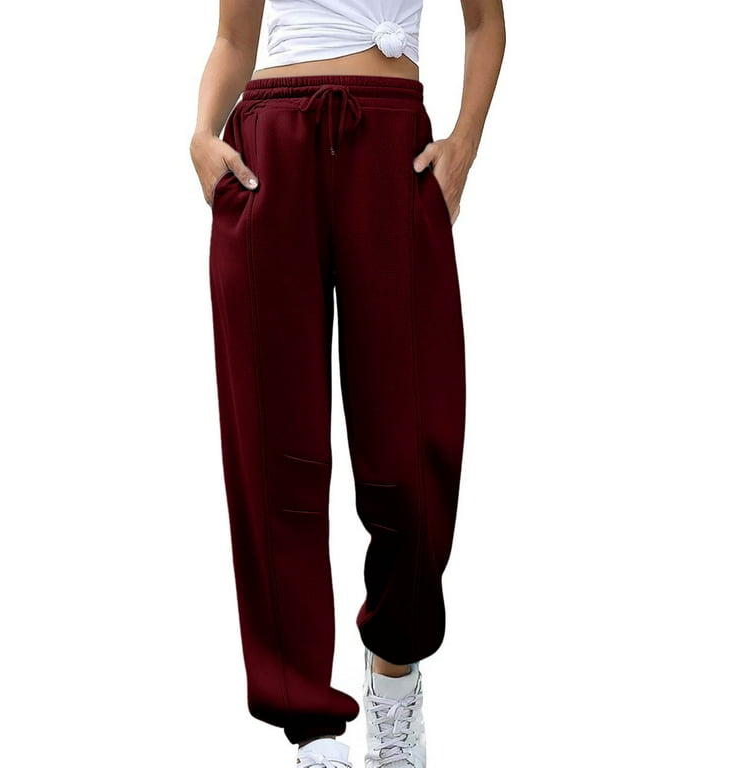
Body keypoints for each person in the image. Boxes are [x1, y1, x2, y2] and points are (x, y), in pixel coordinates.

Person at [189, 1, 505, 766]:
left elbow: (484, 22)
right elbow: (233, 37)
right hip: (271, 145)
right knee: (275, 444)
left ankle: (395, 680)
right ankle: (312, 728)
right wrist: (201, 135)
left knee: (413, 442)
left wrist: (463, 144)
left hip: (392, 143)